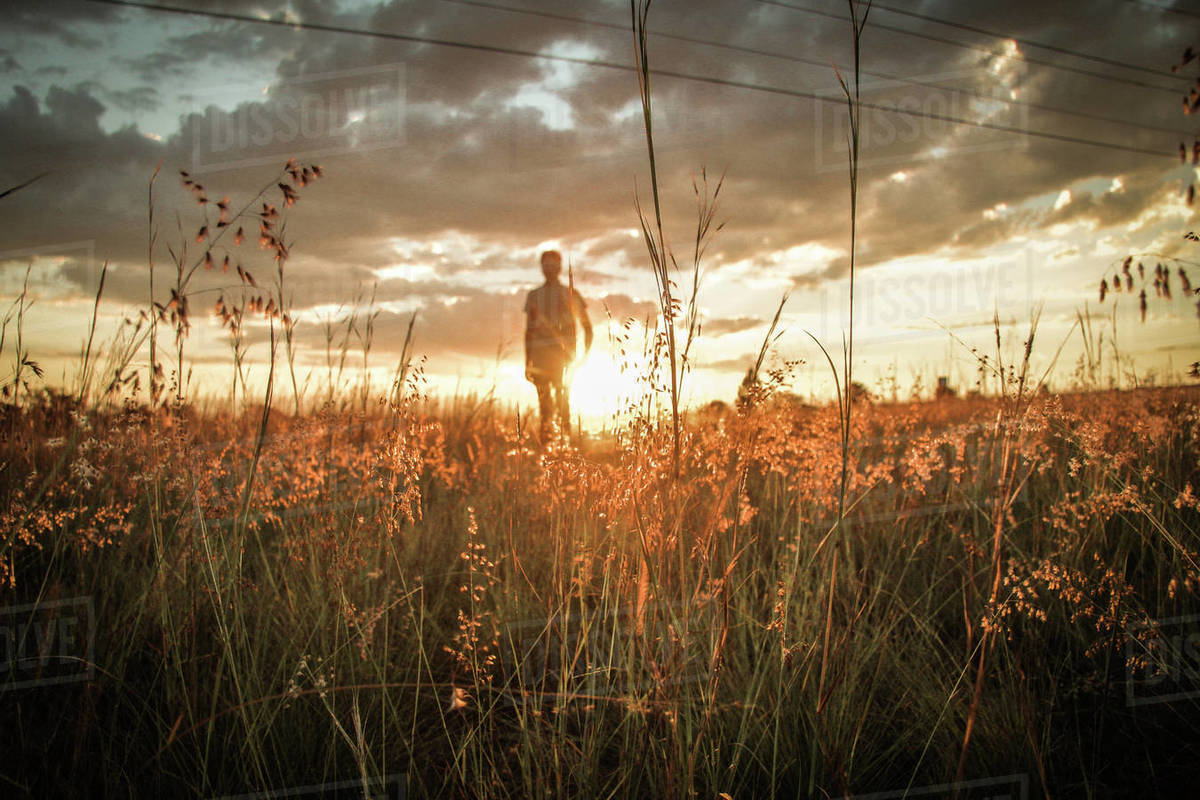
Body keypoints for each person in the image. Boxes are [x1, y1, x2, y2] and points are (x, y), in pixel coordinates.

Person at [525, 249, 592, 441]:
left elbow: (587, 327)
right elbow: (528, 331)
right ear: (541, 267)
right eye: (546, 265)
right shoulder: (534, 295)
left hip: (563, 356)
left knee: (563, 399)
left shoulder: (570, 294)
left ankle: (565, 444)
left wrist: (584, 355)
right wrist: (528, 361)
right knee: (545, 404)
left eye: (553, 265)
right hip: (540, 356)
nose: (549, 269)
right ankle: (547, 446)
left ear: (560, 267)